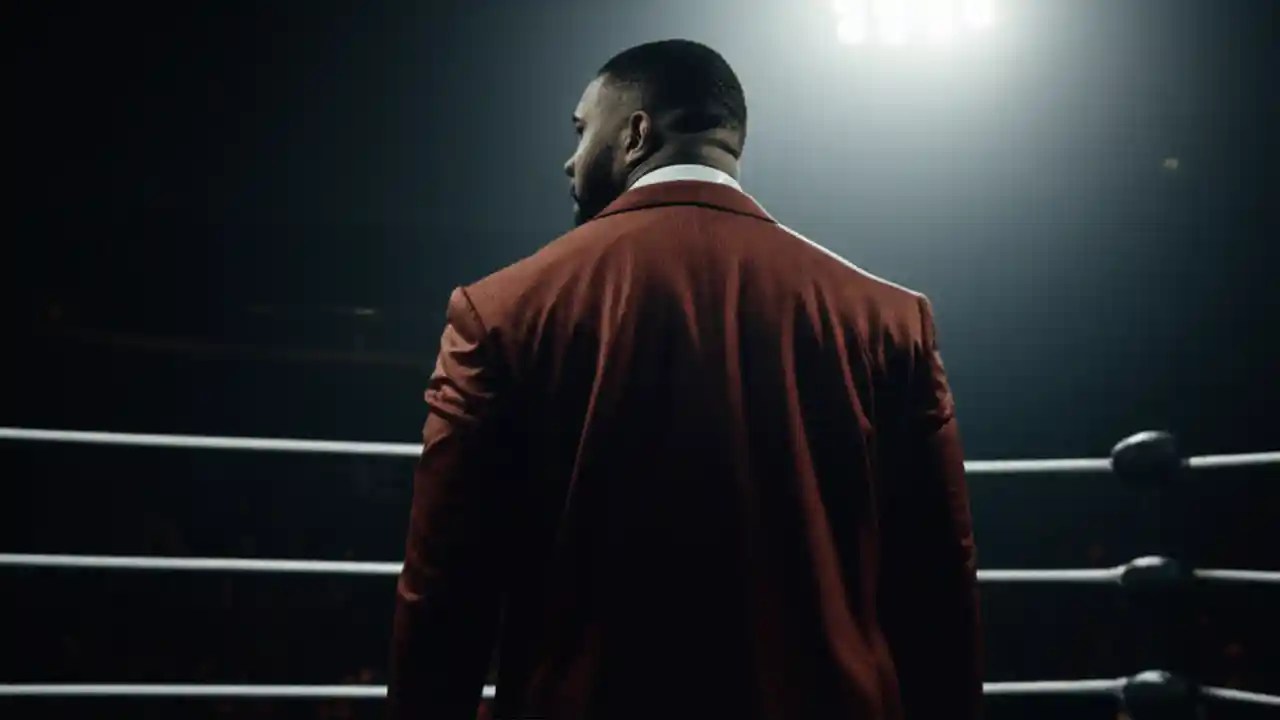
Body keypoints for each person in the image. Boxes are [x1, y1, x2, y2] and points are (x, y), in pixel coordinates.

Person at [389, 39, 981, 720]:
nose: (570, 159)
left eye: (583, 132)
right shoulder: (889, 319)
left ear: (636, 133)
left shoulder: (500, 312)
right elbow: (939, 583)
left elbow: (444, 590)